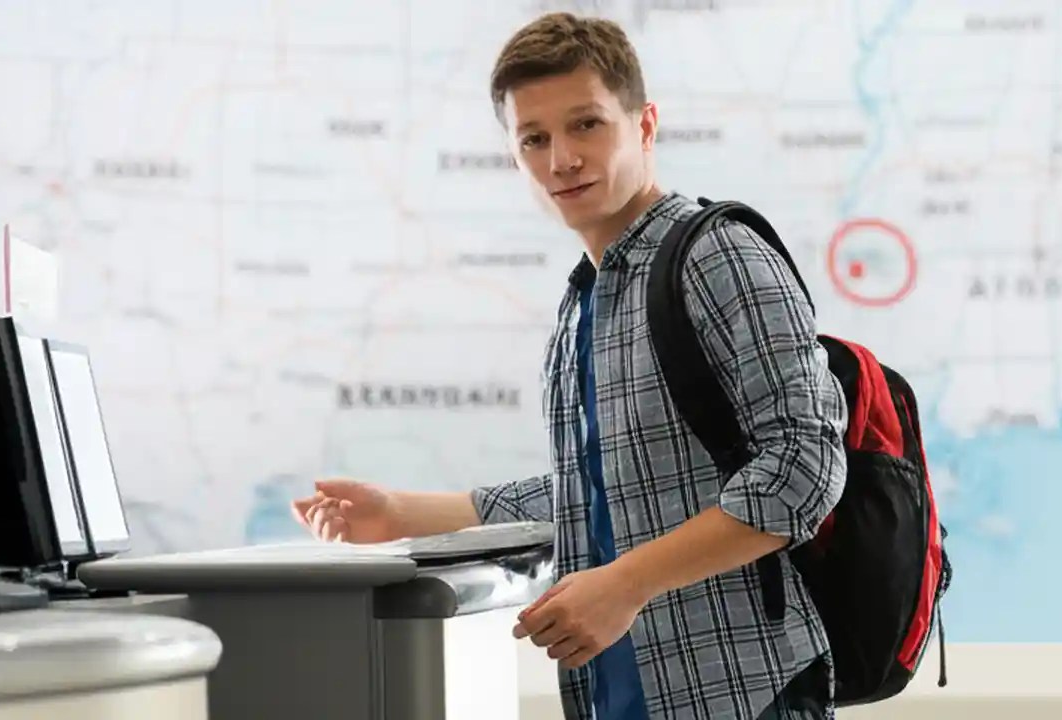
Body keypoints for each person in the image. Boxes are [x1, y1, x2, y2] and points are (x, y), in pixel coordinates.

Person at [291, 11, 847, 720]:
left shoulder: (719, 256)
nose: (561, 159)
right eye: (535, 138)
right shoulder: (584, 299)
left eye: (587, 125)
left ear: (644, 125)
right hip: (616, 695)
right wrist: (403, 514)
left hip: (739, 692)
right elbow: (597, 491)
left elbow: (804, 468)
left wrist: (626, 584)